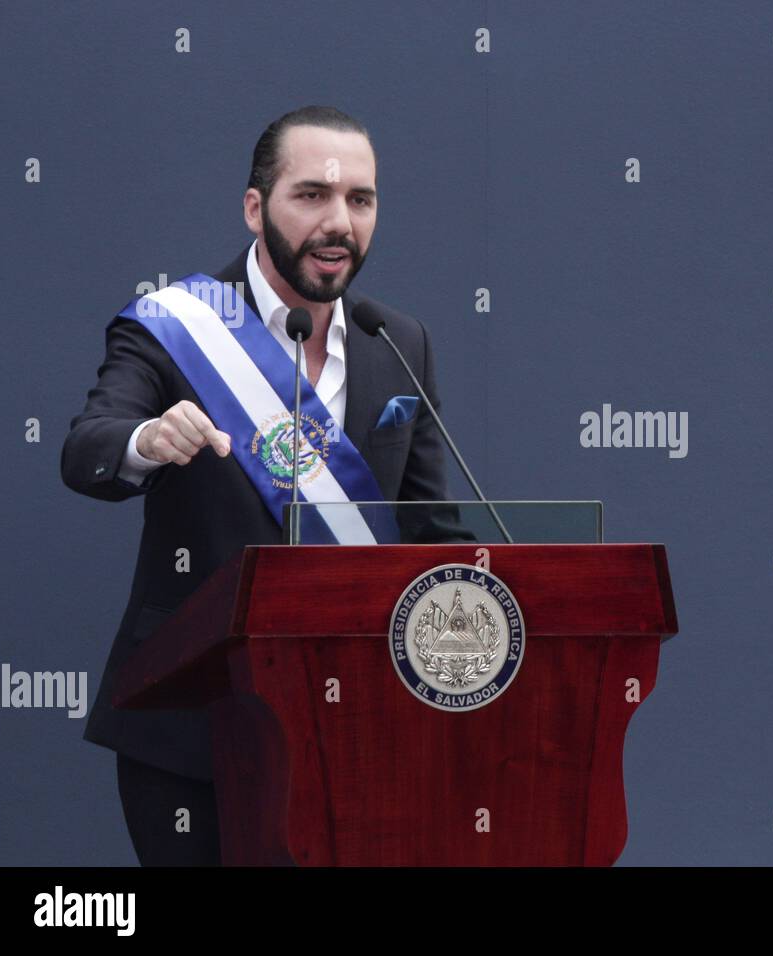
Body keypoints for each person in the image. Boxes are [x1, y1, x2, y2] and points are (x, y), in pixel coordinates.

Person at [61, 105, 472, 866]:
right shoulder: (173, 325)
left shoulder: (399, 342)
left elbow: (430, 530)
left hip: (355, 725)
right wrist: (146, 440)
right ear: (256, 208)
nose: (338, 222)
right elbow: (87, 448)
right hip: (193, 722)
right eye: (311, 195)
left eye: (360, 200)